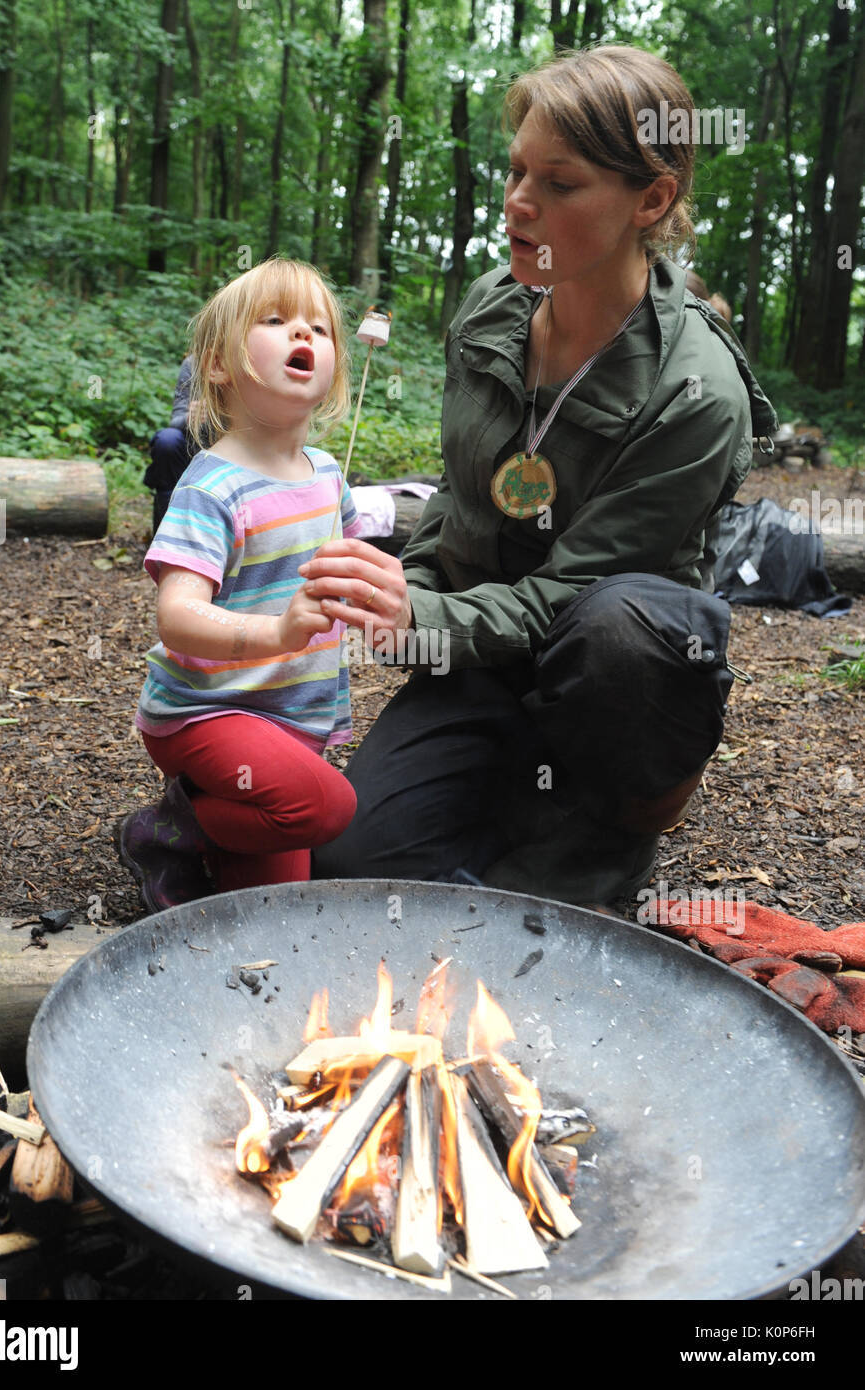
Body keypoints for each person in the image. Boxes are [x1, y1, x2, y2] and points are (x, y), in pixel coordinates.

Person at [304, 44, 778, 906]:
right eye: (518, 171)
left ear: (653, 198)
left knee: (548, 903)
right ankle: (509, 781)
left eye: (559, 185)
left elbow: (570, 593)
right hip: (481, 661)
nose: (519, 204)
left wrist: (425, 617)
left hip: (608, 670)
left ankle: (637, 800)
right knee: (350, 868)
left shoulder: (696, 394)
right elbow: (458, 496)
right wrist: (395, 594)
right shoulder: (493, 307)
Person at [118, 257, 361, 913]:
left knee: (271, 920)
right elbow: (178, 616)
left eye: (318, 326)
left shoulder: (327, 475)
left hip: (291, 720)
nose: (303, 335)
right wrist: (277, 631)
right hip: (209, 711)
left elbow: (353, 566)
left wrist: (375, 597)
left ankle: (186, 848)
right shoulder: (212, 486)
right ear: (218, 365)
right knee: (326, 806)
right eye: (277, 321)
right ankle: (181, 825)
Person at [143, 356, 212, 536]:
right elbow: (175, 420)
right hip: (191, 447)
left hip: (232, 451)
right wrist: (191, 418)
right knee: (167, 441)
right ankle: (163, 539)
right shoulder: (193, 363)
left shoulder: (251, 362)